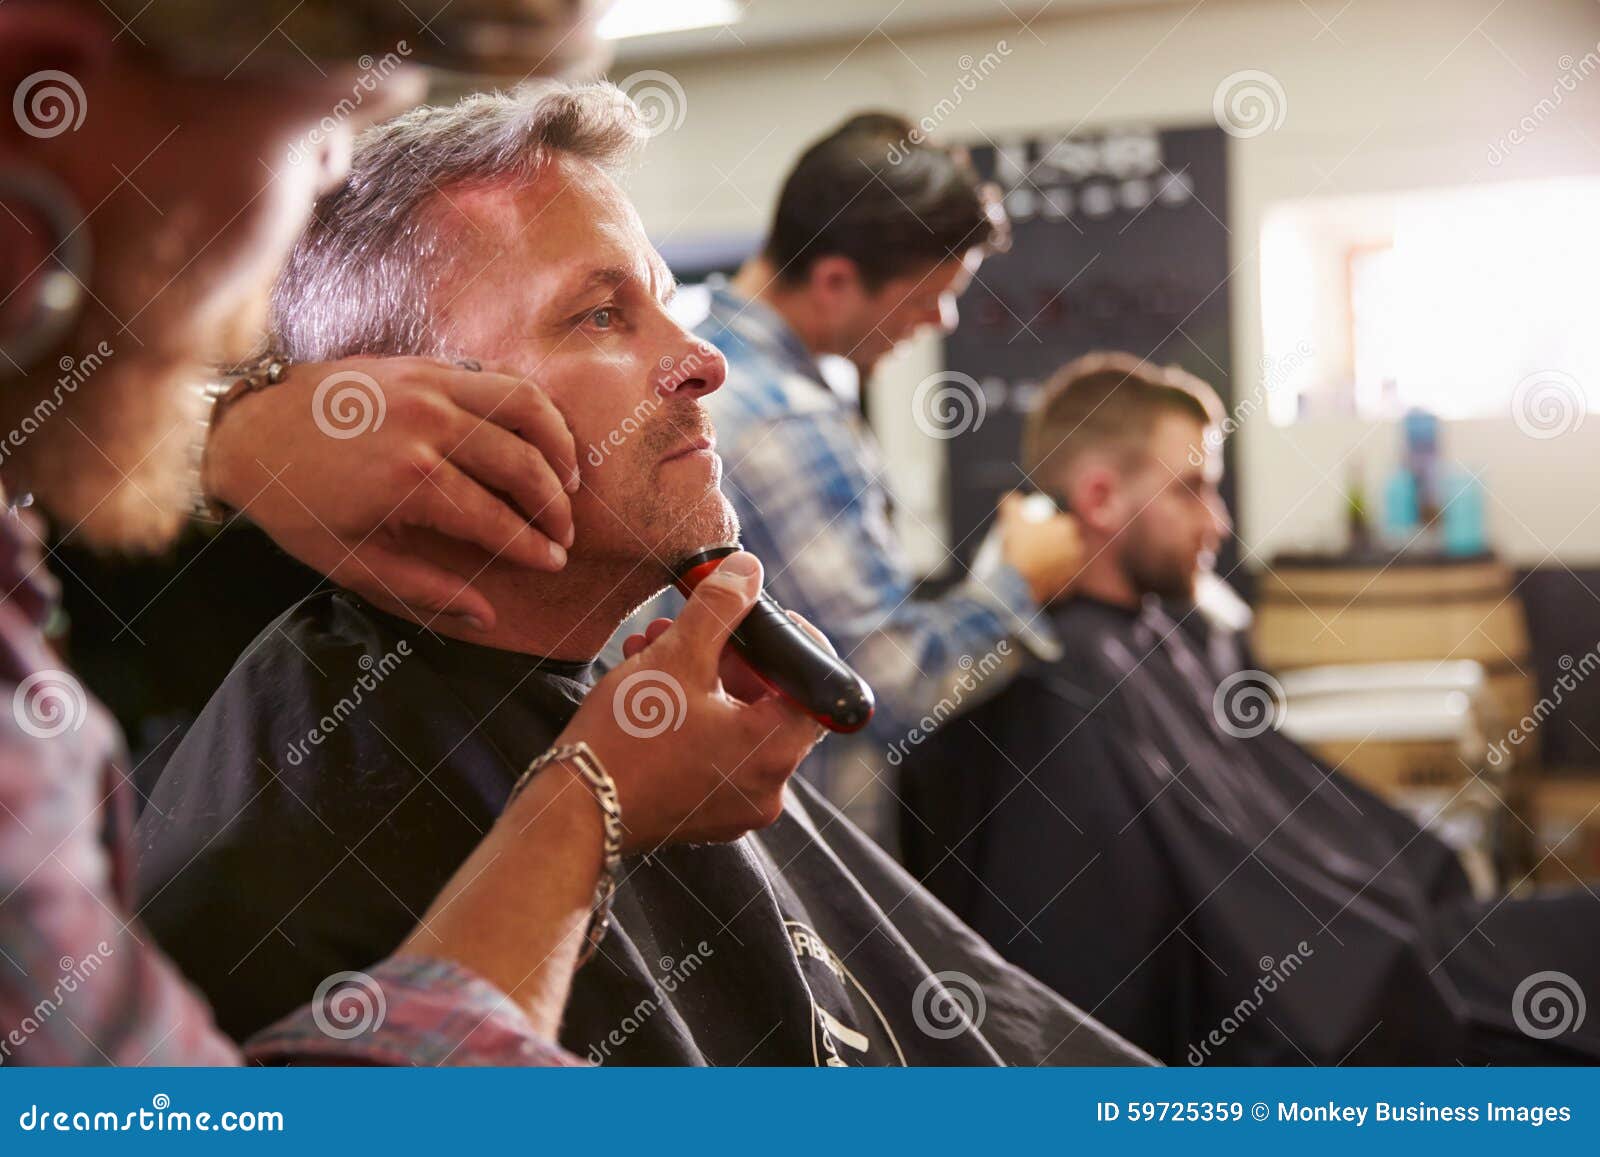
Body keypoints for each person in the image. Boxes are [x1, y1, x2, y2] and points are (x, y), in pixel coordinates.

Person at [135, 84, 1150, 1068]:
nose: (703, 359)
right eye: (598, 316)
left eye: (664, 302)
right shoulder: (266, 886)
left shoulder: (628, 710)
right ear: (407, 408)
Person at [0, 0, 797, 1068]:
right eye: (327, 133)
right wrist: (589, 801)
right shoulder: (270, 864)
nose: (707, 362)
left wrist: (228, 434)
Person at [901, 350, 1600, 1066]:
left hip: (1387, 949)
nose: (1220, 521)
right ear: (1102, 496)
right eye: (1192, 490)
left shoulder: (1161, 635)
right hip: (1349, 1008)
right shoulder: (1065, 689)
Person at [611, 112, 1084, 841]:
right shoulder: (788, 421)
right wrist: (1020, 583)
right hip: (792, 856)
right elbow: (887, 684)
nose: (943, 318)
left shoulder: (695, 387)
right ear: (834, 279)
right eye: (930, 294)